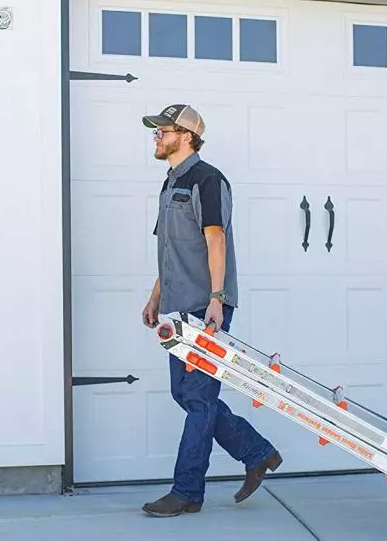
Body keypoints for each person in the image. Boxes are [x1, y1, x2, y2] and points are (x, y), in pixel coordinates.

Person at [139, 103, 282, 517]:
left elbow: (215, 239)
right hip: (175, 308)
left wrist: (217, 299)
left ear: (185, 135)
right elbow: (169, 250)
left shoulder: (208, 179)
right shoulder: (169, 184)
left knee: (199, 399)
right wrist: (154, 298)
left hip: (204, 306)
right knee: (184, 394)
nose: (156, 136)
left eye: (162, 130)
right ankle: (256, 452)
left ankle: (187, 491)